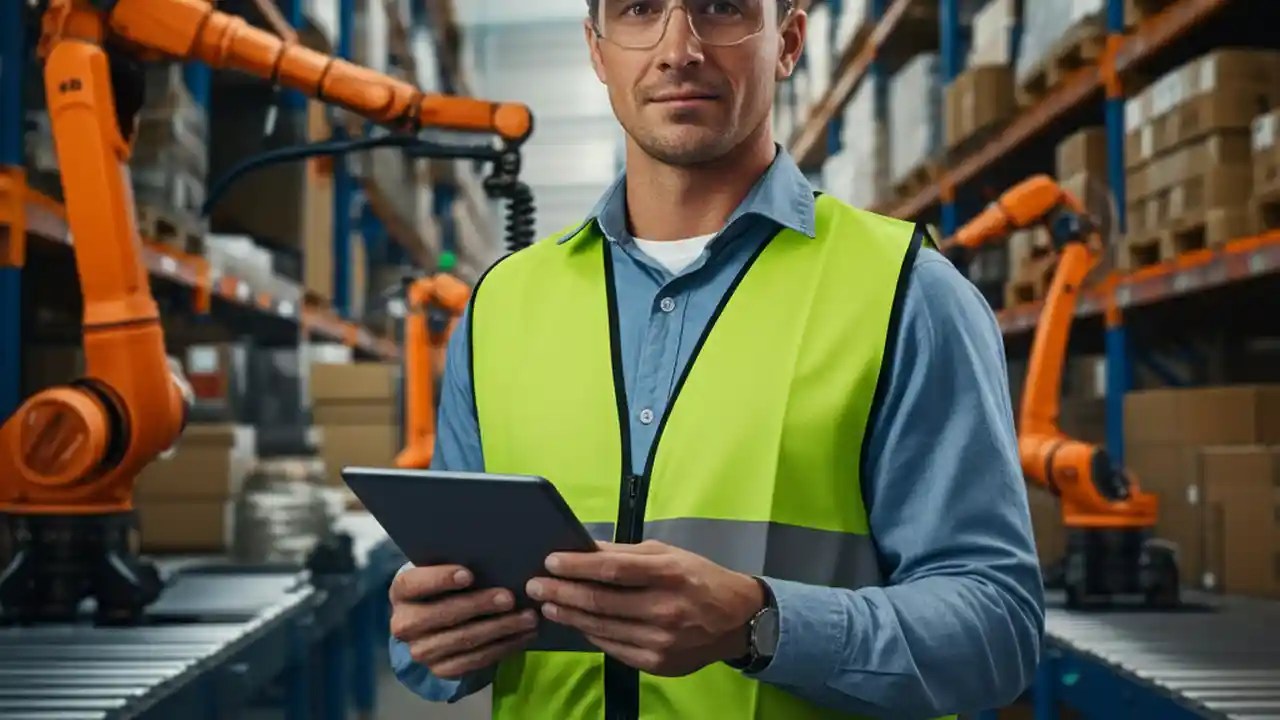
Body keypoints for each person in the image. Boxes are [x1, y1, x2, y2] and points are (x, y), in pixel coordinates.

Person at [388, 0, 1045, 717]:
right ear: (597, 48)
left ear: (787, 42)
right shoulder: (500, 307)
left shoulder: (906, 293)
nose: (680, 49)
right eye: (640, 10)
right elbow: (435, 624)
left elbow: (999, 630)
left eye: (722, 8)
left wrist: (761, 624)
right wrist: (430, 633)